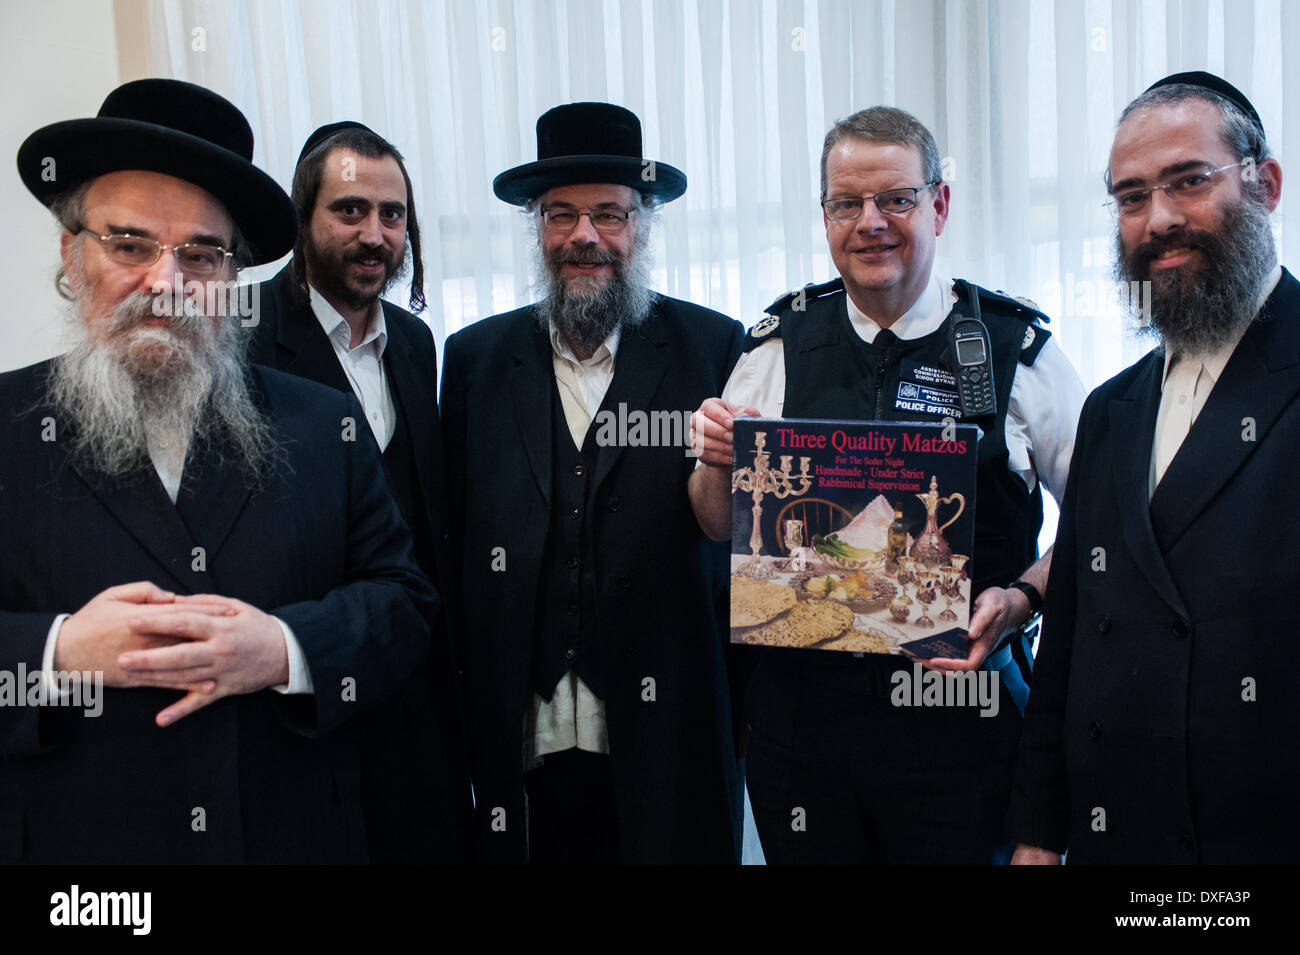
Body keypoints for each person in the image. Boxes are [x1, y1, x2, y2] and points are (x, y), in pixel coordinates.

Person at [0, 78, 435, 863]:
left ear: (231, 276)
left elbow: (403, 604)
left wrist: (286, 648)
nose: (165, 283)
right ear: (71, 252)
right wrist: (58, 655)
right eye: (130, 244)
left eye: (200, 254)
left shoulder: (319, 421)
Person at [690, 106, 1086, 863]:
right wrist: (715, 463)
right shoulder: (776, 344)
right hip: (804, 736)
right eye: (847, 203)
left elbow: (1103, 526)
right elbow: (714, 523)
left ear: (939, 205)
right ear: (826, 215)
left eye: (896, 199)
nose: (870, 222)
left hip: (964, 731)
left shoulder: (1015, 350)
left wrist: (1024, 600)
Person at [440, 102, 744, 863]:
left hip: (668, 734)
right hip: (524, 735)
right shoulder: (473, 360)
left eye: (609, 214)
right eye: (561, 214)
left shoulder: (714, 347)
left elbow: (744, 544)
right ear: (537, 229)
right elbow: (454, 548)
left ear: (641, 228)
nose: (585, 236)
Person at [1009, 71, 1298, 864]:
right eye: (1131, 197)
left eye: (1189, 181)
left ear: (1264, 184)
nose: (1159, 218)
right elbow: (1067, 641)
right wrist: (1037, 831)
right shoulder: (1110, 410)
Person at [246, 122, 473, 863]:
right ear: (302, 219)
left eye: (392, 214)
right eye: (349, 210)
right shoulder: (238, 340)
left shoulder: (415, 342)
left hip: (418, 706)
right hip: (302, 714)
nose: (374, 233)